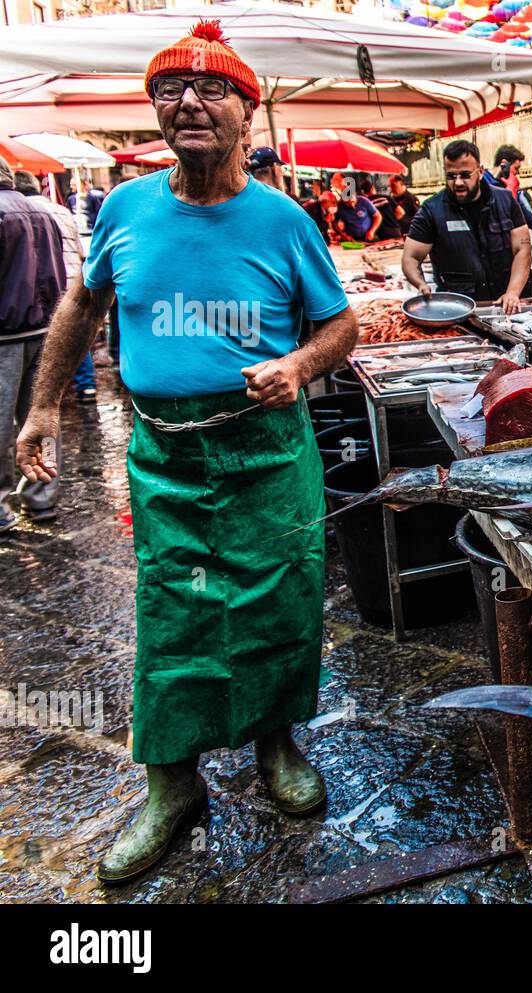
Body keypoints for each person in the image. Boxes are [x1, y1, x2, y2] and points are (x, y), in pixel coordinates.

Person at [16, 19, 358, 884]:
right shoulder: (126, 207)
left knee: (278, 599)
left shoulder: (283, 219)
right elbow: (81, 308)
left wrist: (299, 363)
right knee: (177, 610)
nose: (189, 104)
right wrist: (45, 407)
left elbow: (340, 323)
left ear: (247, 111)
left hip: (266, 450)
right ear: (156, 111)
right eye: (170, 90)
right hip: (165, 454)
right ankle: (172, 783)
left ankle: (275, 746)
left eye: (212, 91)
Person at [1, 159, 66, 530]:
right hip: (44, 326)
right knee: (39, 415)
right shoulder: (43, 212)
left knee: (4, 422)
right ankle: (41, 497)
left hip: (6, 330)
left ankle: (1, 503)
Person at [402, 139, 532, 314]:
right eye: (451, 176)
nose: (457, 182)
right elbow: (410, 257)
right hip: (460, 312)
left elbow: (522, 250)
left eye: (465, 175)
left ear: (480, 171)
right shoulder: (431, 211)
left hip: (510, 308)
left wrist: (512, 292)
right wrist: (420, 284)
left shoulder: (505, 200)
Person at [14, 170, 96, 405]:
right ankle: (86, 384)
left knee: (53, 337)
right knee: (75, 332)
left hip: (43, 285)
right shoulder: (60, 210)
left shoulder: (27, 212)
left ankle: (46, 392)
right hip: (72, 278)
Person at [485, 144, 532, 231]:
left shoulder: (504, 184)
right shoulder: (484, 183)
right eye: (516, 168)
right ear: (504, 164)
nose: (517, 173)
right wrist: (510, 188)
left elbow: (521, 210)